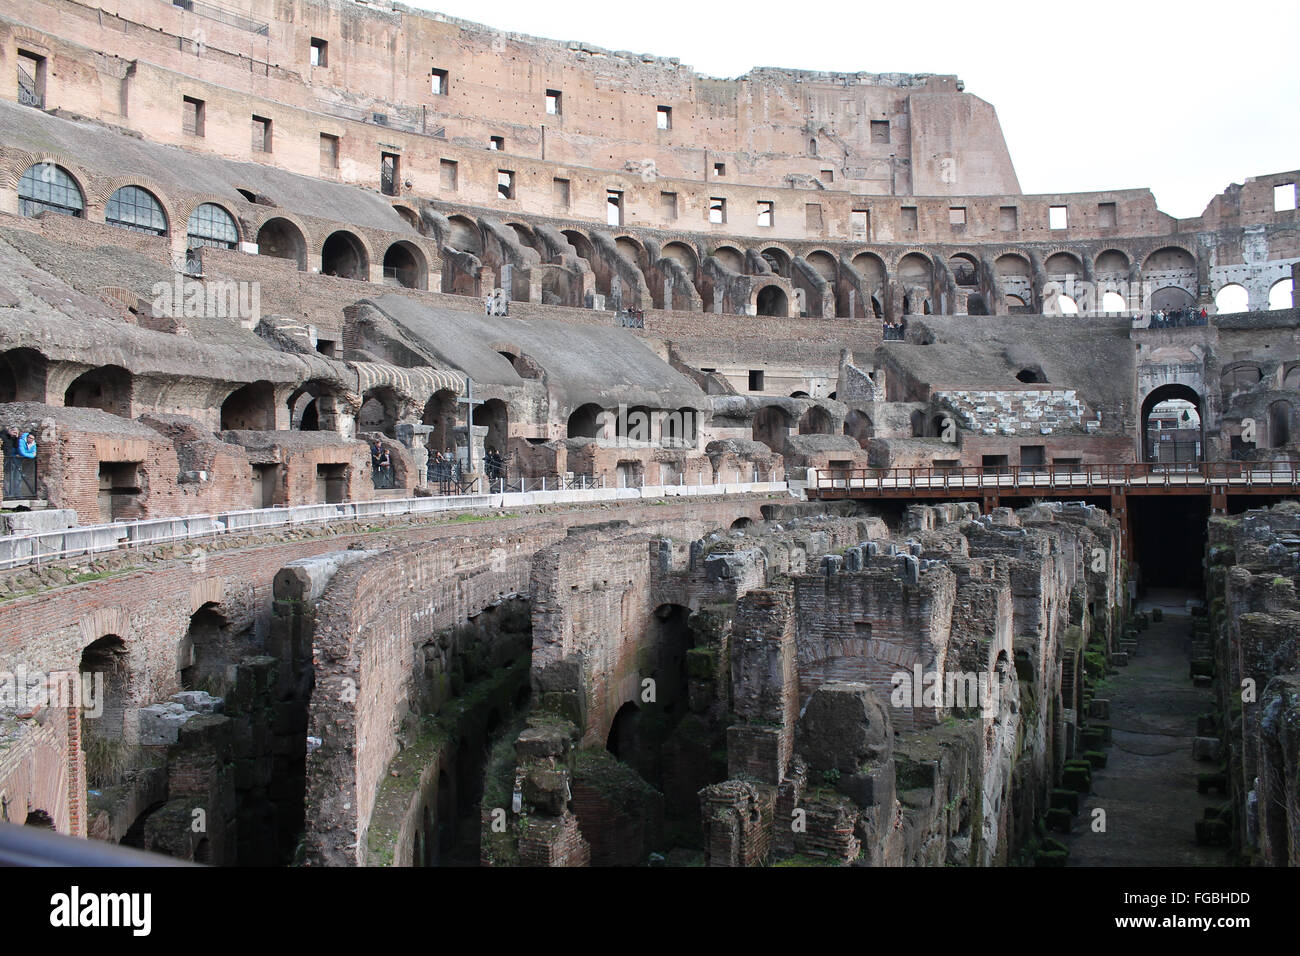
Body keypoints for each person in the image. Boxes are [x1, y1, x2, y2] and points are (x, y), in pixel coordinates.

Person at [1, 427, 19, 499]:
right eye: (14, 432)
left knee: (7, 477)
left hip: (8, 460)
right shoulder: (2, 436)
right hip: (3, 459)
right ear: (10, 431)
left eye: (17, 433)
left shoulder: (12, 438)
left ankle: (7, 494)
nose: (15, 434)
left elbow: (16, 446)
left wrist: (16, 438)